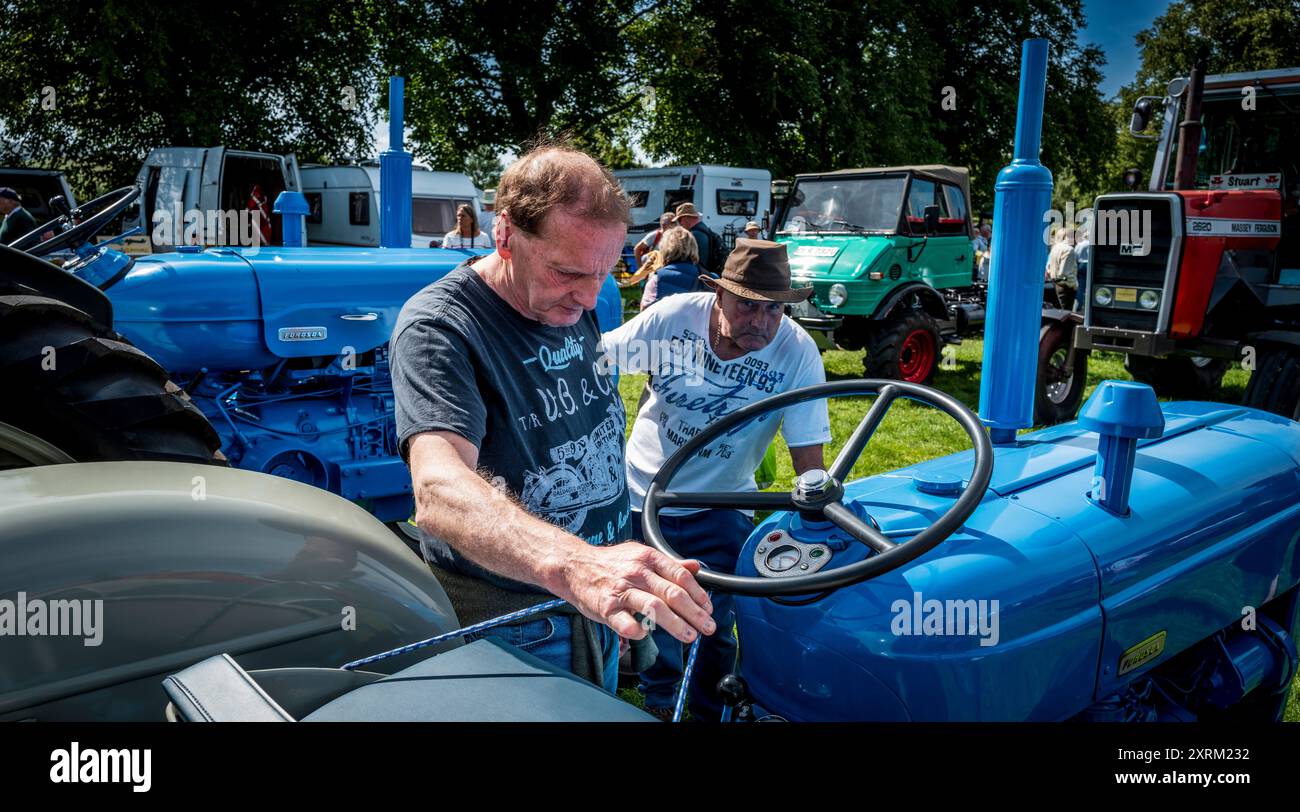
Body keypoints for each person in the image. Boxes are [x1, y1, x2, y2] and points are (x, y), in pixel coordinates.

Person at [390, 142, 715, 693]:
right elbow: (439, 490)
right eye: (568, 272)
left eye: (604, 273)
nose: (589, 299)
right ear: (506, 235)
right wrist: (577, 567)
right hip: (525, 625)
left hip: (601, 596)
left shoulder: (568, 297)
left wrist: (601, 568)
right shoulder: (439, 329)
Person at [600, 238, 832, 720]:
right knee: (644, 609)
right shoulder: (672, 319)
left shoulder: (796, 352)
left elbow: (809, 453)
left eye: (773, 310)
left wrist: (821, 513)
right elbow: (598, 365)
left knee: (712, 619)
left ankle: (705, 710)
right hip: (643, 493)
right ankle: (661, 700)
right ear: (718, 294)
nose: (762, 323)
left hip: (723, 503)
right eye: (748, 306)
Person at [639, 225, 702, 309]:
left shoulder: (656, 279)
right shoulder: (709, 279)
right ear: (694, 247)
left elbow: (645, 313)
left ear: (664, 249)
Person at [673, 202, 723, 274]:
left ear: (686, 218)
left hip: (698, 276)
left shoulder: (693, 235)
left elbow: (691, 262)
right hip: (706, 274)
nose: (680, 224)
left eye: (679, 220)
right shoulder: (705, 230)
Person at [1045, 226, 1078, 311]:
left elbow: (1048, 267)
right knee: (1066, 314)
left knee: (1057, 314)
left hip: (1054, 284)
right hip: (1065, 286)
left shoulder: (1055, 247)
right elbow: (1064, 273)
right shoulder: (1070, 250)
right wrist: (1074, 285)